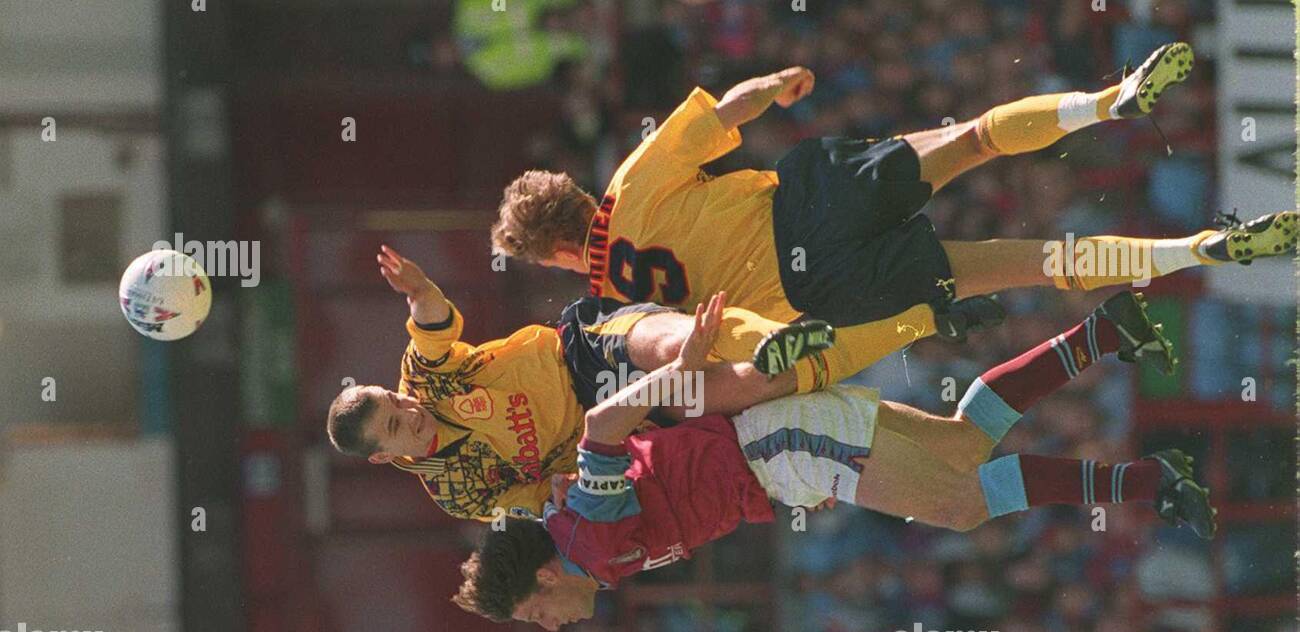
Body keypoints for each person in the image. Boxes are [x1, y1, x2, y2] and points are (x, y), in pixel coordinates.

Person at [492, 43, 1296, 387]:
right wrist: (775, 84)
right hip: (810, 200)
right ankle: (1109, 101)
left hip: (826, 291)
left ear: (554, 256)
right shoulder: (631, 179)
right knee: (974, 138)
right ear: (577, 193)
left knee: (1033, 264)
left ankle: (1197, 250)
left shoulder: (612, 314)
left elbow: (694, 362)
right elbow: (727, 114)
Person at [451, 290, 1215, 630]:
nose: (548, 627)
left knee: (960, 504)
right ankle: (1104, 334)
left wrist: (680, 364)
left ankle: (1149, 479)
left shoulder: (586, 539)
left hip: (780, 449)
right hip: (780, 459)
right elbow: (681, 486)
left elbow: (604, 422)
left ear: (544, 577)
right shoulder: (586, 546)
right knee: (962, 442)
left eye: (534, 614)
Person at [325, 246, 830, 520]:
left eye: (393, 398)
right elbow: (544, 499)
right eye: (395, 423)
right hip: (610, 430)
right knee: (723, 396)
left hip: (579, 353)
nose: (409, 409)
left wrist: (419, 290)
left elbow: (432, 327)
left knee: (674, 349)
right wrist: (565, 493)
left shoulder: (423, 380)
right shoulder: (456, 493)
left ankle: (775, 342)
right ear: (383, 456)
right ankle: (781, 366)